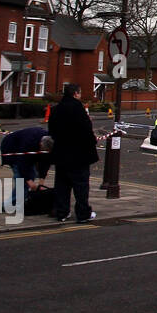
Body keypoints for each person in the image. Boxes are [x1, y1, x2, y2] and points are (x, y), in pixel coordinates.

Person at [48, 84, 97, 222]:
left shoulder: (56, 109)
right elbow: (86, 130)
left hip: (61, 154)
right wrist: (92, 141)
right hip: (78, 155)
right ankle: (83, 214)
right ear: (76, 94)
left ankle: (62, 212)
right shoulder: (78, 109)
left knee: (62, 186)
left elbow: (51, 130)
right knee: (81, 186)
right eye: (80, 93)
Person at [0, 126, 52, 212]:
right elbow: (22, 163)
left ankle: (20, 201)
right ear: (40, 144)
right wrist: (30, 182)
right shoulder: (29, 142)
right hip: (11, 149)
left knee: (31, 175)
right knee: (21, 179)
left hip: (25, 153)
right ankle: (9, 205)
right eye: (42, 150)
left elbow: (45, 161)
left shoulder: (49, 141)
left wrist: (41, 183)